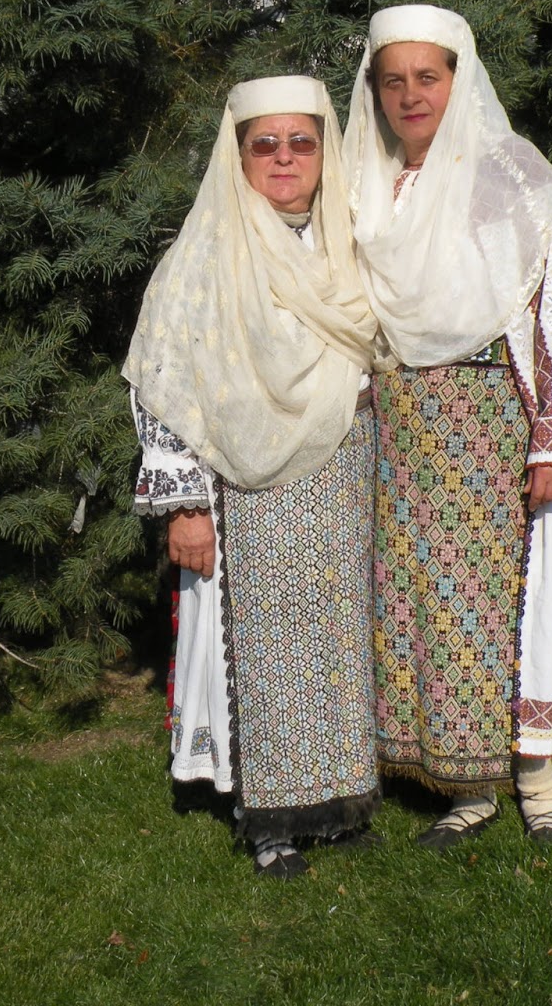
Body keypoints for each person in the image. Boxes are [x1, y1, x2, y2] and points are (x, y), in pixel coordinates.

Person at [343, 4, 552, 848]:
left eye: (429, 76)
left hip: (491, 414)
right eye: (395, 80)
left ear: (459, 79)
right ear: (375, 91)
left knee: (504, 598)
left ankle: (536, 774)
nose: (412, 95)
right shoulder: (370, 182)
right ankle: (465, 782)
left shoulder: (508, 173)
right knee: (421, 602)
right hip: (400, 423)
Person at [123, 75, 385, 878]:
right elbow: (164, 383)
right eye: (263, 144)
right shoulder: (204, 253)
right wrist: (185, 507)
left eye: (300, 142)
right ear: (235, 157)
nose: (283, 158)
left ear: (323, 151)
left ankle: (338, 796)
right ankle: (268, 813)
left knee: (339, 637)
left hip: (341, 479)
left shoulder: (348, 240)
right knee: (265, 645)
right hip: (246, 490)